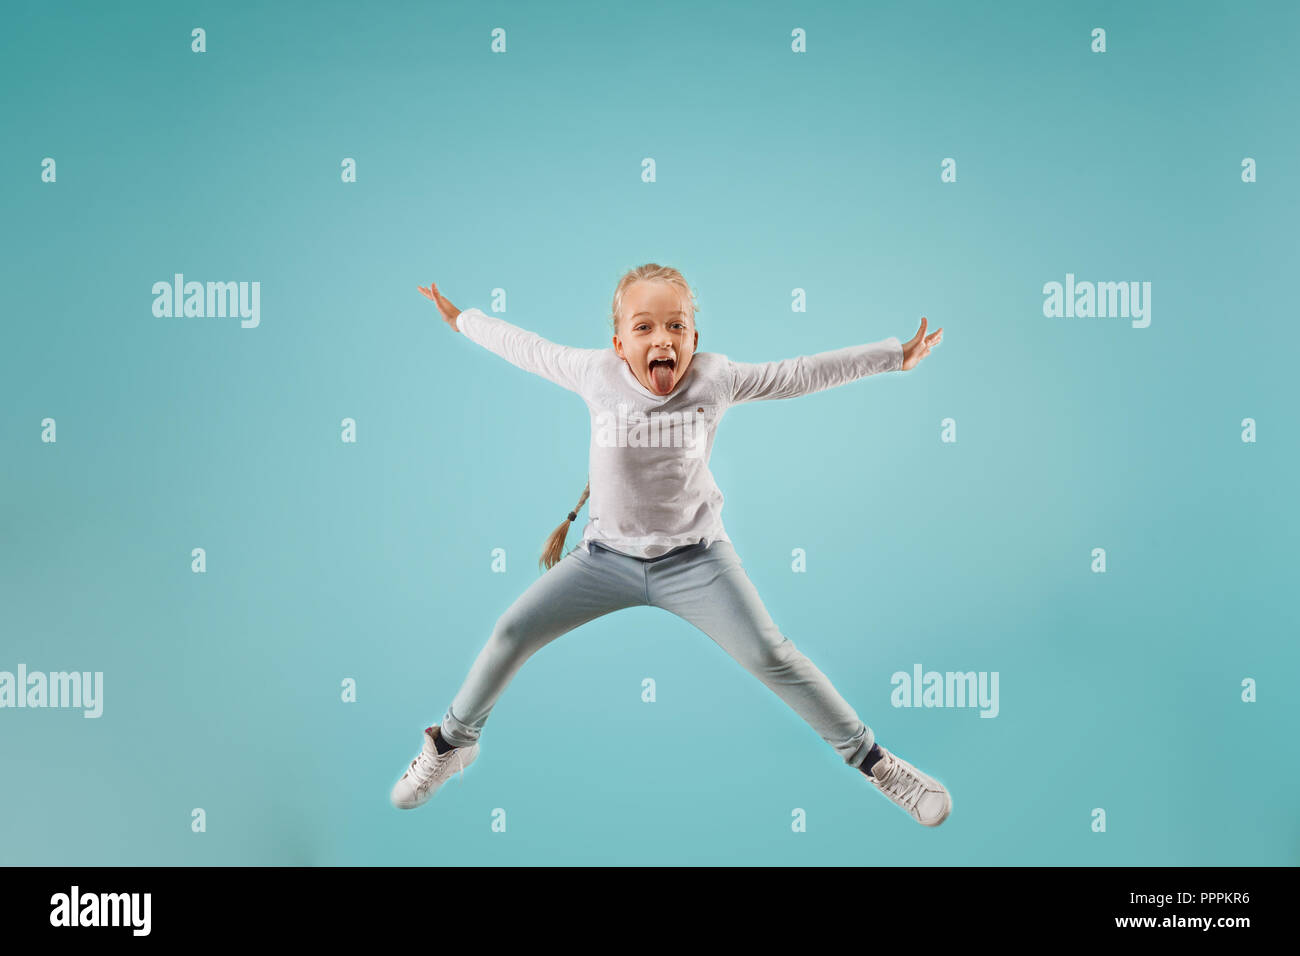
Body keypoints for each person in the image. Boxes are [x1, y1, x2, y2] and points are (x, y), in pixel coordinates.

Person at [393, 264, 950, 826]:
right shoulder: (594, 372)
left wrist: (892, 357)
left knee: (770, 654)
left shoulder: (716, 378)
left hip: (697, 559)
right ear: (619, 343)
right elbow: (525, 347)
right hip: (604, 560)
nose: (662, 339)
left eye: (676, 327)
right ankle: (452, 742)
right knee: (511, 631)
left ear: (694, 339)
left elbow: (799, 373)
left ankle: (874, 760)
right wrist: (463, 319)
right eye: (644, 328)